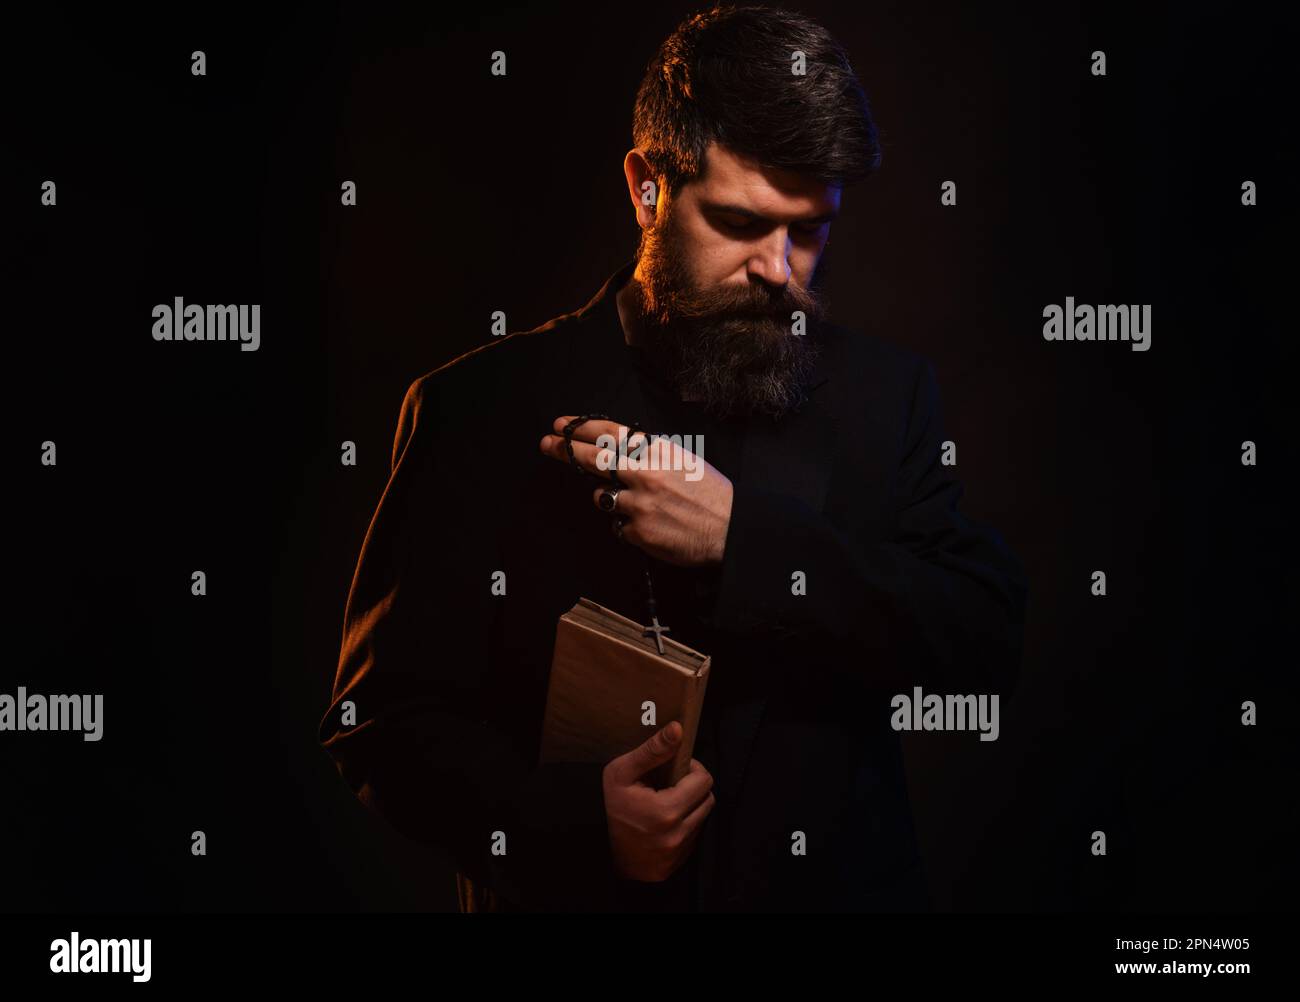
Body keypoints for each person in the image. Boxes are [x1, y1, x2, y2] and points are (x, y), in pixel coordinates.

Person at [318, 4, 1027, 912]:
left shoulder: (884, 399)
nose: (781, 270)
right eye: (739, 222)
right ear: (647, 188)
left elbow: (983, 637)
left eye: (809, 230)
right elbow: (374, 726)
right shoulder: (479, 408)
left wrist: (745, 543)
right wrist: (572, 825)